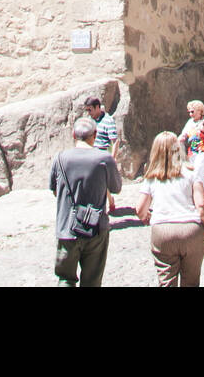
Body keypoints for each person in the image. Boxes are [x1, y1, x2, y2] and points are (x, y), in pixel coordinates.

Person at [135, 131, 204, 287]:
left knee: (166, 283)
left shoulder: (152, 177)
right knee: (191, 282)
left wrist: (147, 217)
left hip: (163, 232)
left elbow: (140, 209)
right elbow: (202, 206)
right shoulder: (191, 173)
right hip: (191, 231)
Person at [49, 116, 122, 287]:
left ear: (73, 134)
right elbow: (116, 188)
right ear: (94, 135)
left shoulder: (60, 158)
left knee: (65, 279)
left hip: (67, 228)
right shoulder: (104, 159)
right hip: (96, 228)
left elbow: (54, 190)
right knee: (92, 281)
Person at [178, 99, 204, 204]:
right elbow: (184, 134)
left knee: (198, 172)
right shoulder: (189, 122)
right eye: (189, 112)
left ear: (200, 111)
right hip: (193, 151)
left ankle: (196, 197)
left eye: (193, 111)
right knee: (199, 173)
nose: (191, 114)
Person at [85, 94, 119, 213]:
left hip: (103, 154)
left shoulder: (108, 121)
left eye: (90, 110)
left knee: (100, 182)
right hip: (91, 153)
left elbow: (115, 141)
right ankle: (109, 201)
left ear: (97, 107)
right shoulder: (90, 121)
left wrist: (113, 158)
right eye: (87, 110)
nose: (89, 113)